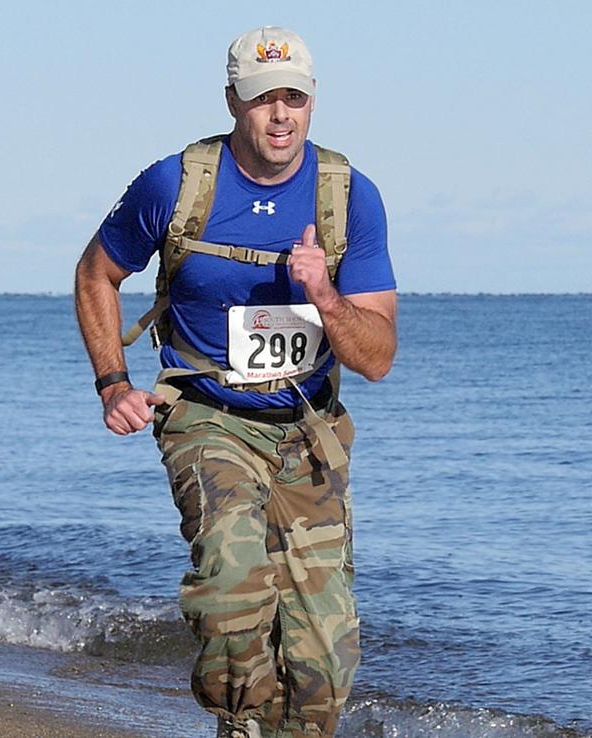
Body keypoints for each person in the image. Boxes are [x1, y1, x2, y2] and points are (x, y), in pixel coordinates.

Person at [74, 27, 396, 738]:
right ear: (232, 101)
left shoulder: (348, 194)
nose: (280, 115)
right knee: (232, 584)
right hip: (207, 416)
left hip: (307, 431)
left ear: (313, 101)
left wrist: (326, 296)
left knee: (323, 660)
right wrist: (112, 383)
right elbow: (96, 272)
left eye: (294, 98)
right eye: (261, 99)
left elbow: (377, 358)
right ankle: (242, 723)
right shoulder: (176, 183)